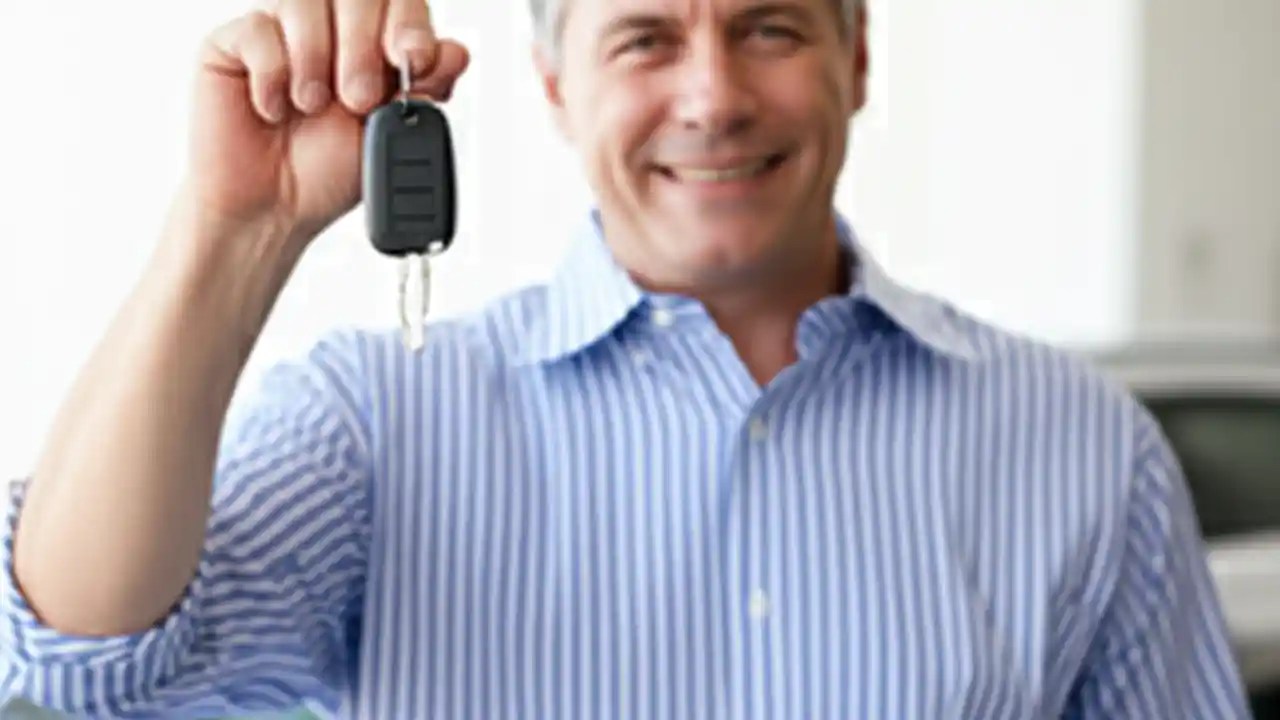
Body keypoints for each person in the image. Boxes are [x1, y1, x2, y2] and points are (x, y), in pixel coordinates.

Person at [0, 0, 1252, 716]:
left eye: (766, 27)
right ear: (553, 87)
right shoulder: (379, 419)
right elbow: (80, 652)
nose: (710, 97)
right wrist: (235, 232)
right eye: (645, 38)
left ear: (854, 59)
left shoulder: (1083, 445)